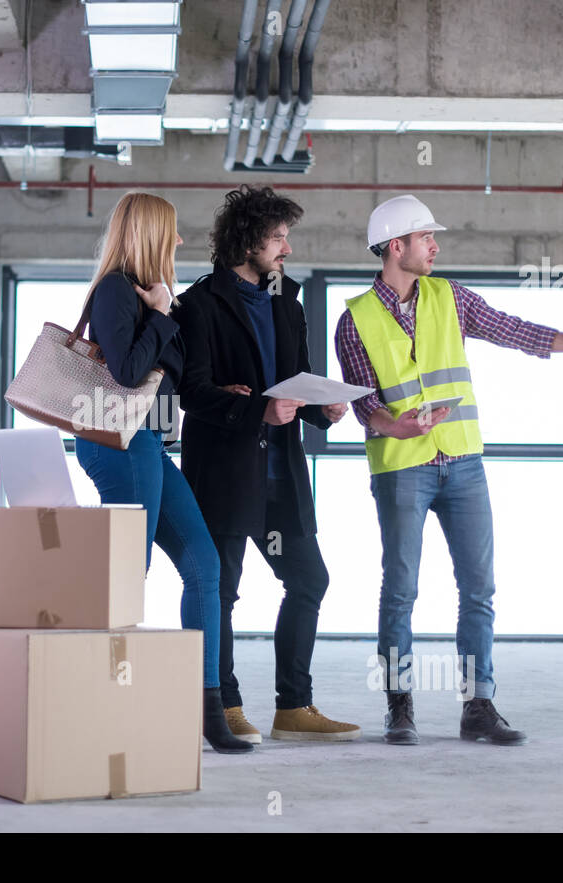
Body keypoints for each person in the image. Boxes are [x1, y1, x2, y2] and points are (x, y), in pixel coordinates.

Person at [335, 194, 563, 745]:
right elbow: (365, 405)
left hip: (463, 464)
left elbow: (515, 331)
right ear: (395, 247)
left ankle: (478, 705)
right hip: (401, 468)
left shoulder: (450, 297)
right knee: (401, 590)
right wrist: (394, 426)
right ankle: (399, 704)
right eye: (425, 238)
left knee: (478, 588)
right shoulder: (355, 319)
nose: (435, 246)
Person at [174, 184, 360, 744]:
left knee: (309, 579)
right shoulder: (199, 304)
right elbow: (193, 391)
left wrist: (324, 410)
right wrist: (258, 409)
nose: (286, 249)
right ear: (247, 239)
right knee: (222, 591)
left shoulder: (286, 299)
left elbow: (296, 380)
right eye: (278, 238)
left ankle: (293, 709)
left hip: (281, 471)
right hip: (227, 473)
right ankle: (222, 706)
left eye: (286, 238)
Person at [74, 191, 252, 754]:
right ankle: (98, 703)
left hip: (149, 443)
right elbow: (127, 373)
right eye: (171, 232)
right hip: (119, 444)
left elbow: (163, 381)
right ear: (150, 233)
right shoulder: (115, 292)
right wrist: (159, 312)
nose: (178, 242)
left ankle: (206, 707)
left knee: (204, 565)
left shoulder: (152, 298)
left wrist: (164, 312)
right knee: (130, 575)